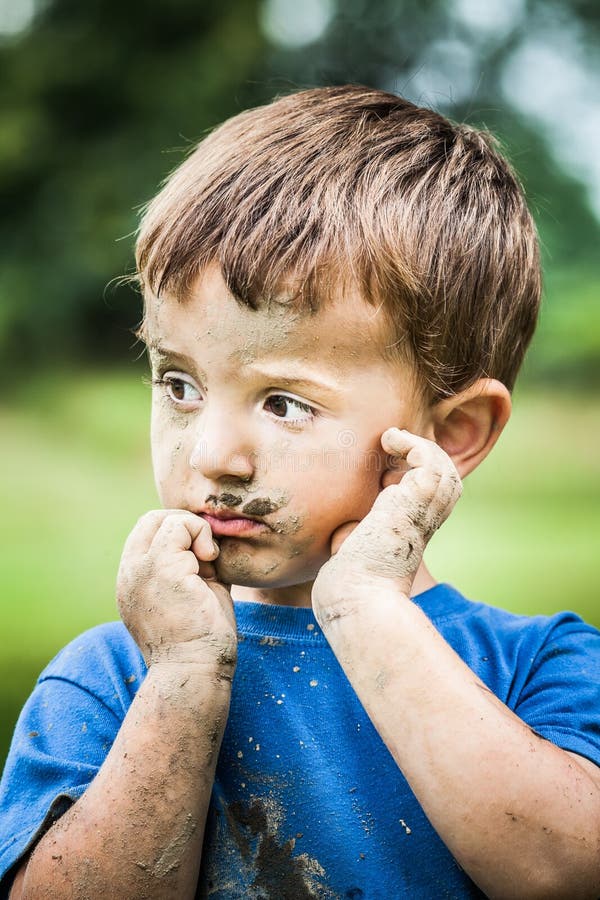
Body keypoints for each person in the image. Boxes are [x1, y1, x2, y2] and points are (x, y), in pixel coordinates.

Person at [1, 85, 599, 900]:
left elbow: (567, 871)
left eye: (285, 403)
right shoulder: (112, 677)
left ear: (453, 434)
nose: (212, 455)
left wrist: (365, 611)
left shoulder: (541, 668)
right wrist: (180, 681)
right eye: (178, 384)